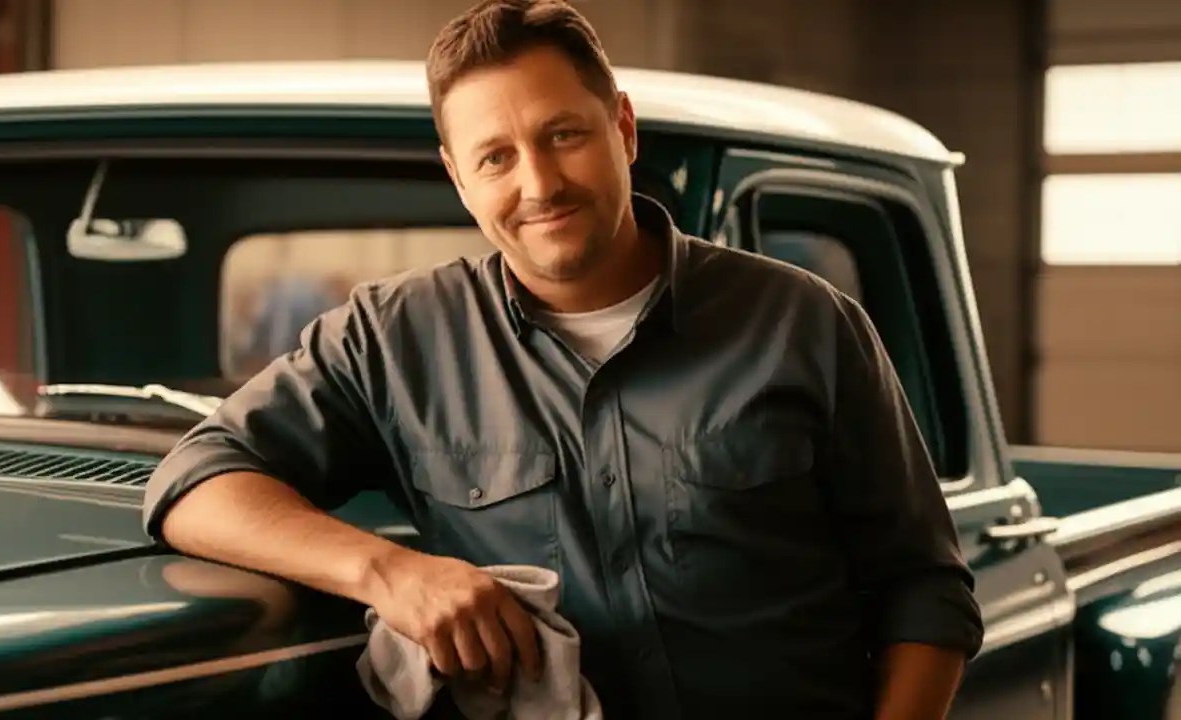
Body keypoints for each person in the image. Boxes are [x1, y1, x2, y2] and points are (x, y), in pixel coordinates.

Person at [142, 1, 984, 717]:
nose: (539, 184)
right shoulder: (394, 338)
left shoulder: (803, 324)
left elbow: (926, 592)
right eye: (496, 157)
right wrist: (390, 572)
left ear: (621, 127)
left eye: (564, 135)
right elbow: (196, 480)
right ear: (458, 178)